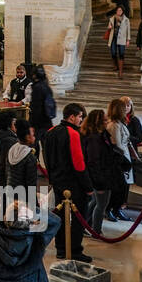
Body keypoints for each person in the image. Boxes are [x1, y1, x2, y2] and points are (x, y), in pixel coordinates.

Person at [41, 103, 93, 263]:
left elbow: (46, 158)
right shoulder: (73, 134)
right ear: (72, 116)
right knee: (78, 217)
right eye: (80, 117)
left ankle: (61, 248)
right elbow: (78, 163)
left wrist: (52, 178)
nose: (81, 120)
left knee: (60, 216)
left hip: (57, 181)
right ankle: (75, 249)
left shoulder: (50, 132)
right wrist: (88, 186)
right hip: (73, 183)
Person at [80, 108, 115, 236]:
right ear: (98, 122)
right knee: (101, 204)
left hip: (102, 174)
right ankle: (96, 230)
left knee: (96, 202)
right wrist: (99, 181)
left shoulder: (101, 135)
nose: (108, 122)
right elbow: (93, 161)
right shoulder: (94, 138)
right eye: (105, 120)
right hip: (99, 176)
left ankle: (85, 225)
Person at [104, 98, 134, 221]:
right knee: (118, 187)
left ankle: (117, 209)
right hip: (119, 159)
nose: (126, 109)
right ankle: (110, 209)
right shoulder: (114, 125)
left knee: (124, 187)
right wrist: (125, 155)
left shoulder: (120, 123)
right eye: (123, 107)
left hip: (125, 157)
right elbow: (117, 144)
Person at [27, 66, 56, 140]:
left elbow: (36, 107)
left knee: (34, 144)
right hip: (47, 120)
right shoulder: (46, 86)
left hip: (39, 122)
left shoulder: (37, 88)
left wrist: (31, 123)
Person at [0, 108, 19, 181]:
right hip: (6, 179)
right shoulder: (8, 140)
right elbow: (7, 164)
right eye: (14, 122)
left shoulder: (3, 135)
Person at [106, 5, 130, 78]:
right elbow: (108, 27)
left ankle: (120, 72)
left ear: (122, 11)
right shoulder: (112, 18)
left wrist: (128, 40)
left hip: (122, 39)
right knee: (113, 53)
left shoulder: (126, 20)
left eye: (120, 10)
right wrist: (109, 26)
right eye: (117, 10)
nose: (119, 12)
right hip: (113, 38)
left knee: (121, 54)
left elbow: (128, 30)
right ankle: (115, 65)